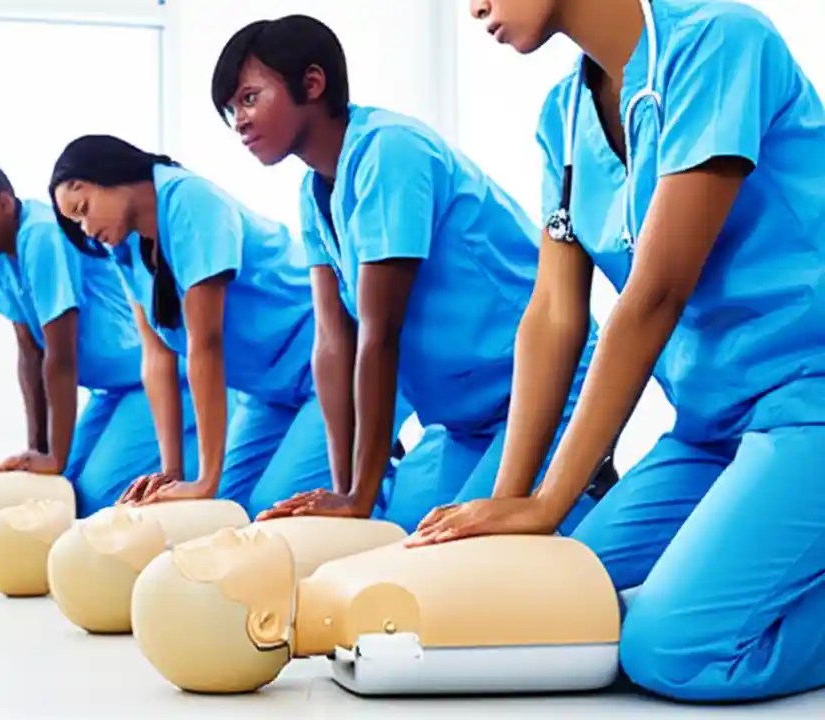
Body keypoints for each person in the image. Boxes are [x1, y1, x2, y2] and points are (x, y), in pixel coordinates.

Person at [409, 0, 825, 704]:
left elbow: (654, 294)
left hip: (807, 400)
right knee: (560, 603)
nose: (474, 6)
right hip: (709, 427)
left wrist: (548, 504)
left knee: (673, 649)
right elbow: (552, 316)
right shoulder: (562, 116)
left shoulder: (721, 42)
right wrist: (507, 504)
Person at [210, 15, 614, 532]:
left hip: (539, 391)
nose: (238, 120)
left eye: (248, 98)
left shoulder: (390, 150)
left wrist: (357, 496)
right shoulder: (314, 195)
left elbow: (380, 336)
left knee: (457, 557)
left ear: (312, 83)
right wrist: (348, 494)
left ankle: (588, 483)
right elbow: (333, 344)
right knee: (393, 538)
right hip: (462, 422)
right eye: (230, 109)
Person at [50, 135, 401, 517]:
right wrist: (172, 472)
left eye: (83, 209)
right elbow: (157, 357)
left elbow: (206, 344)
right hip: (267, 393)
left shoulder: (190, 201)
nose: (84, 228)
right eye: (76, 221)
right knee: (227, 513)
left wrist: (205, 480)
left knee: (276, 510)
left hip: (330, 370)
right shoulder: (124, 246)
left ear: (111, 175)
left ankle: (379, 472)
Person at [0, 160, 199, 517]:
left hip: (154, 383)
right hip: (112, 390)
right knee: (64, 491)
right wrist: (38, 452)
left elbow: (60, 356)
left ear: (2, 205)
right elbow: (30, 353)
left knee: (92, 499)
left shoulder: (41, 233)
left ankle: (197, 453)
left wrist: (55, 457)